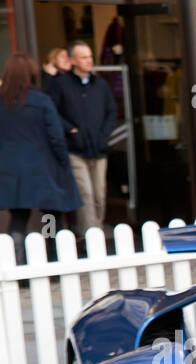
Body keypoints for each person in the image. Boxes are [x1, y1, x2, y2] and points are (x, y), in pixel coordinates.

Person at [0, 53, 80, 262]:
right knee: (50, 215)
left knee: (18, 217)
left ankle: (15, 263)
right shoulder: (41, 101)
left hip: (10, 171)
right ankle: (51, 261)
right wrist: (63, 164)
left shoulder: (2, 102)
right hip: (42, 167)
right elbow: (56, 137)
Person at [48, 40, 114, 235]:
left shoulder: (100, 84)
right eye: (83, 57)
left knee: (99, 196)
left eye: (90, 57)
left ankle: (96, 231)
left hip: (99, 149)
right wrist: (69, 130)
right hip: (75, 150)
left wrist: (104, 135)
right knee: (85, 194)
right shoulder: (60, 84)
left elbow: (111, 111)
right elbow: (52, 112)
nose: (88, 61)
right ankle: (91, 238)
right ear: (72, 60)